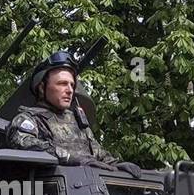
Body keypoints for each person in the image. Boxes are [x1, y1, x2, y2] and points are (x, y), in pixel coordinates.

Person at [7, 51, 136, 173]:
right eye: (62, 83)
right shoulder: (28, 120)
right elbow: (25, 144)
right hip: (50, 192)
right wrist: (71, 158)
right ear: (41, 88)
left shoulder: (77, 121)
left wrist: (115, 165)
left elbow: (97, 154)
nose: (69, 90)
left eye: (72, 85)